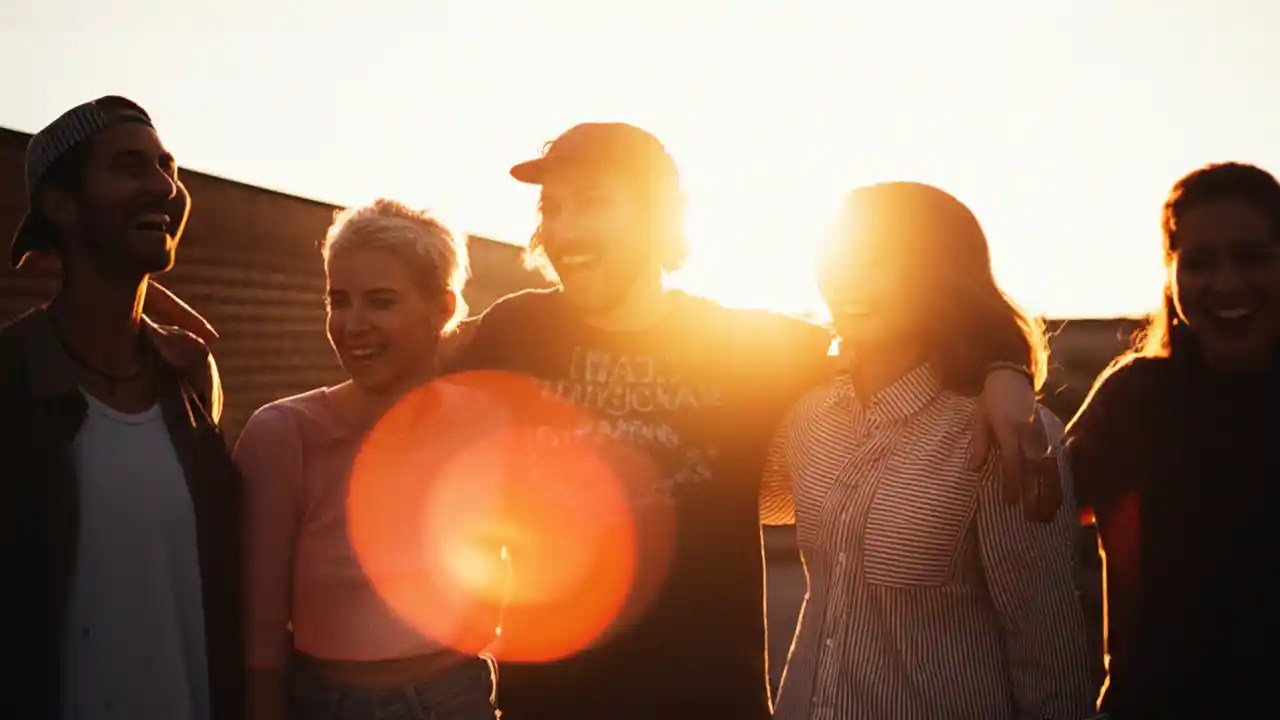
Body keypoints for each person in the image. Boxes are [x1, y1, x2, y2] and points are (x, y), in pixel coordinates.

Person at [445, 123, 1059, 718]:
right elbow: (405, 355)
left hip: (710, 703)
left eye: (594, 203)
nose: (565, 229)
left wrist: (1003, 366)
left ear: (659, 217)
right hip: (546, 707)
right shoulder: (513, 330)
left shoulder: (751, 348)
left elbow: (907, 330)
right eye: (553, 208)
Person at [762, 182, 1092, 719]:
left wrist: (1005, 370)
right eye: (841, 257)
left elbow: (1046, 650)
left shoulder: (998, 430)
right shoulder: (807, 419)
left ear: (940, 277)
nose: (850, 278)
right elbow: (741, 501)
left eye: (880, 260)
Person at [0, 96, 242, 719]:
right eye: (131, 167)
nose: (164, 186)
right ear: (61, 203)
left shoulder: (188, 388)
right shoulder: (11, 386)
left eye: (167, 167)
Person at [235, 199, 505, 720]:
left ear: (444, 308)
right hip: (322, 705)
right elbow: (259, 633)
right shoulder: (283, 435)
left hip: (456, 701)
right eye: (339, 300)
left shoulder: (489, 425)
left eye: (381, 302)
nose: (353, 324)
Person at [1067, 162, 1280, 718]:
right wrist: (1001, 374)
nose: (1227, 283)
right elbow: (1031, 513)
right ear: (1170, 273)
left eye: (1251, 257)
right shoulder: (1136, 398)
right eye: (1201, 262)